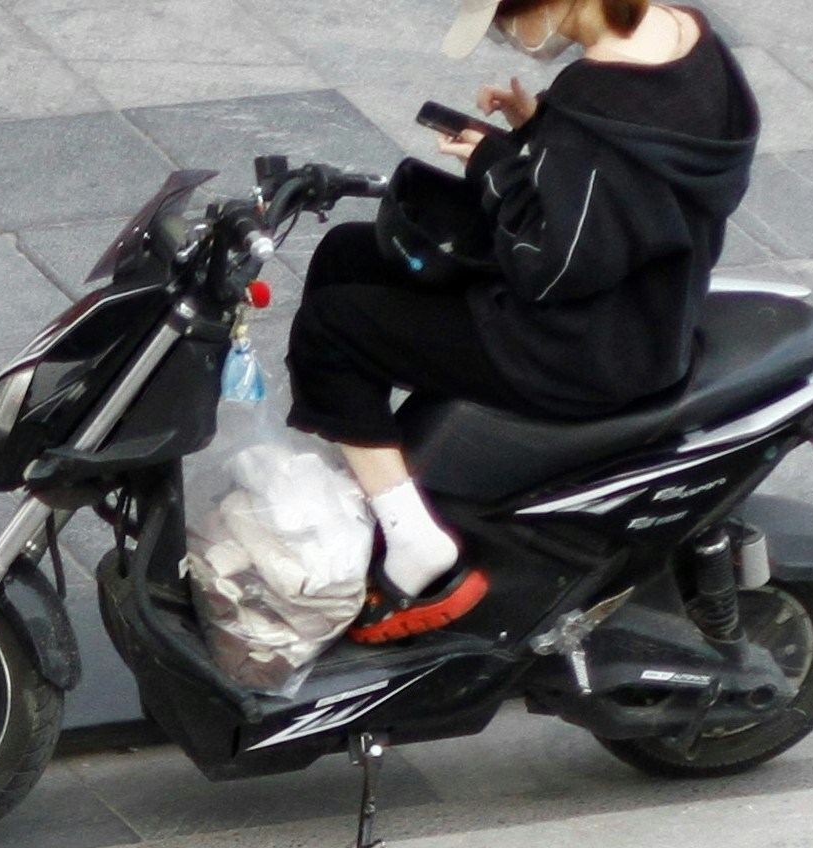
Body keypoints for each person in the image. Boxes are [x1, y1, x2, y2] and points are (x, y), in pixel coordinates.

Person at [281, 0, 759, 629]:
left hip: (579, 349)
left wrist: (495, 164)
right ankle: (373, 472)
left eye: (507, 15)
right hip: (652, 310)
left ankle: (414, 538)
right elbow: (634, 182)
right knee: (351, 252)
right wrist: (539, 132)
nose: (507, 31)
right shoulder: (687, 32)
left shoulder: (596, 100)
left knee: (332, 328)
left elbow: (551, 265)